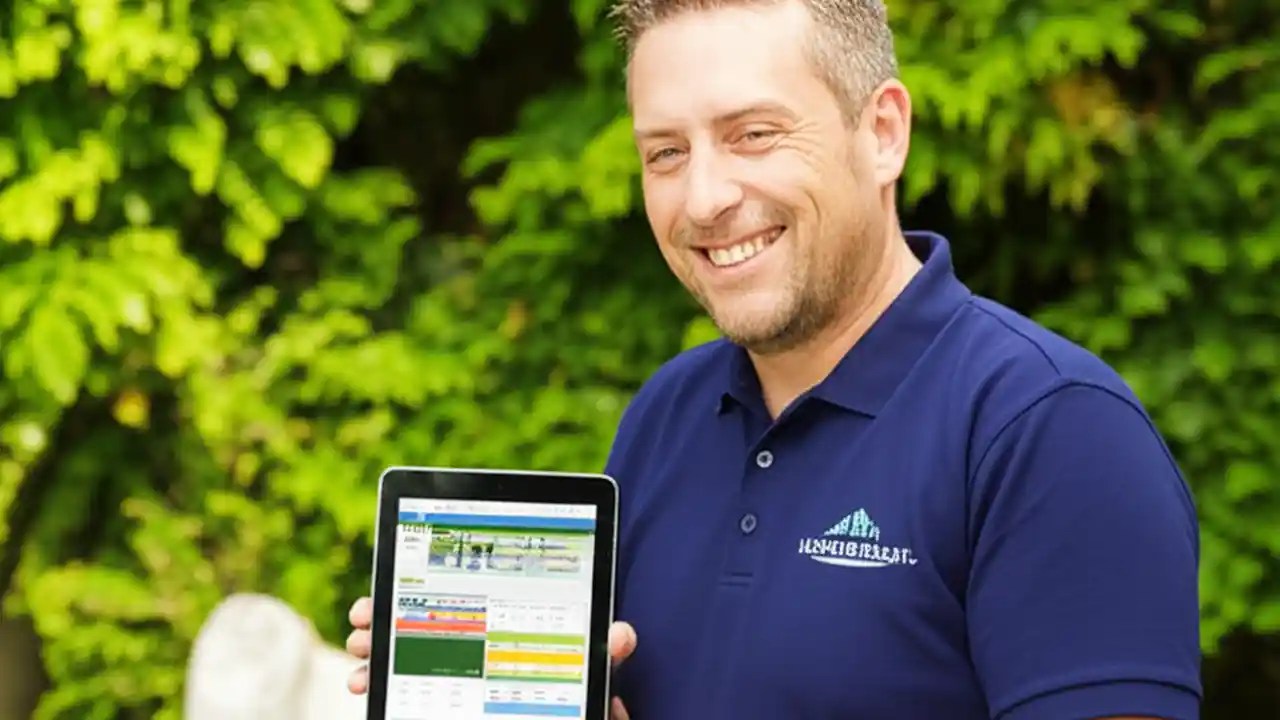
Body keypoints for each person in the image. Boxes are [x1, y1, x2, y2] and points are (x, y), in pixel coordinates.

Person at [344, 0, 1202, 718]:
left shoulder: (1053, 429)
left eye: (753, 133)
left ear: (883, 133)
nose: (706, 198)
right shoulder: (666, 414)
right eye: (666, 153)